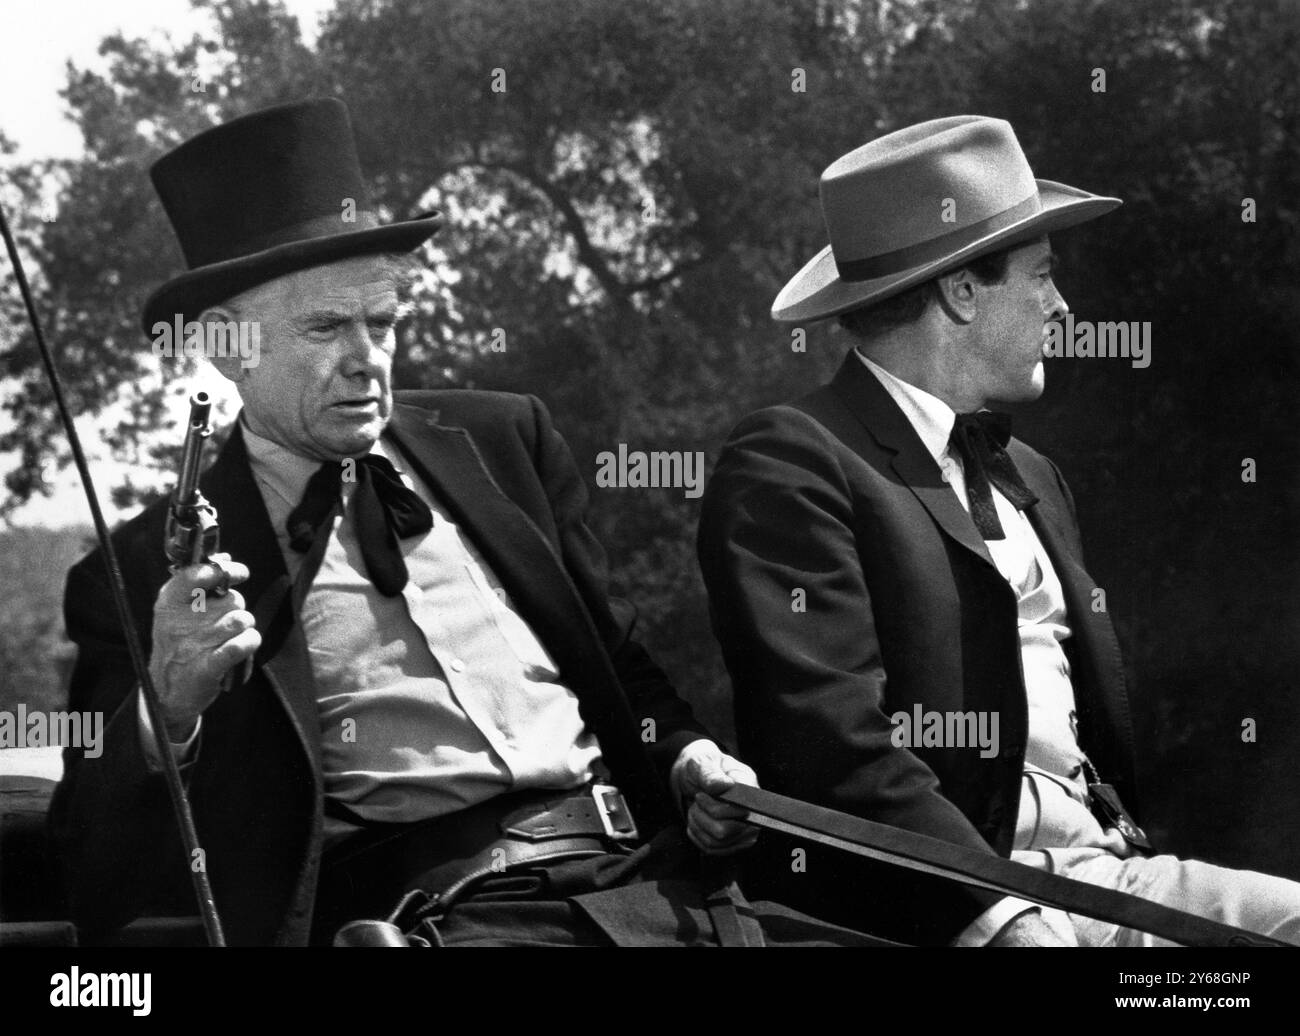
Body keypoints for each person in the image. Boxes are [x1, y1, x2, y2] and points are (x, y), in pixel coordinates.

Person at [49, 98, 884, 947]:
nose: (366, 357)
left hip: (660, 888)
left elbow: (625, 674)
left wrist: (687, 761)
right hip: (443, 917)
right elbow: (94, 874)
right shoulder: (144, 573)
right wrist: (168, 711)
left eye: (382, 323)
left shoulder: (504, 440)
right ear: (229, 346)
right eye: (326, 327)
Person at [697, 115, 1300, 947]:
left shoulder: (1036, 478)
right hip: (938, 907)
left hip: (1106, 881)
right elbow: (829, 743)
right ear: (962, 292)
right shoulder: (793, 460)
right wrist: (995, 917)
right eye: (1043, 274)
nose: (1063, 305)